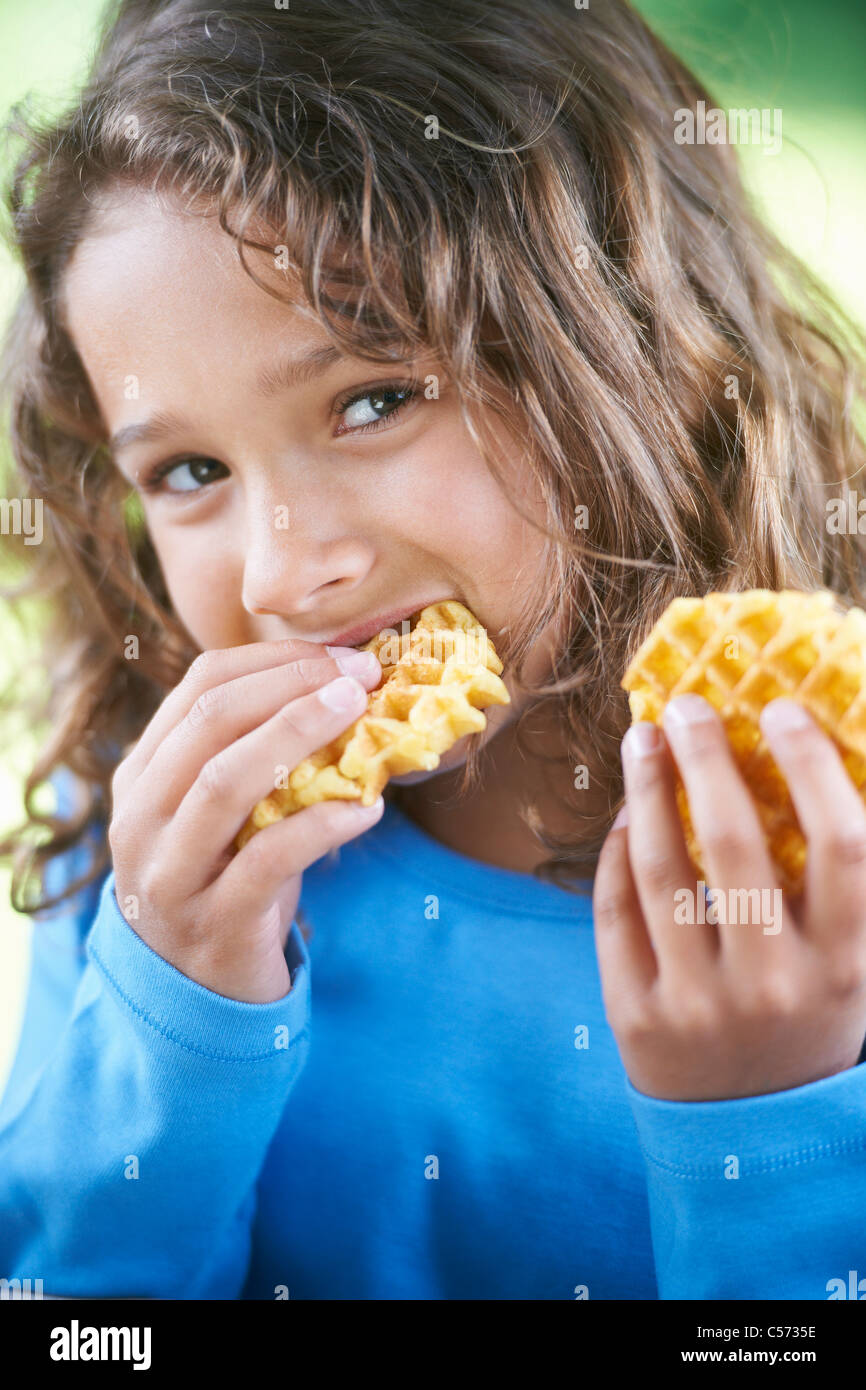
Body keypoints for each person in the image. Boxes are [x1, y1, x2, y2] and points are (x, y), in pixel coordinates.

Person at [1, 0, 865, 1299]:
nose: (282, 572)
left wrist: (770, 1127)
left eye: (372, 399)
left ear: (636, 336)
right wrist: (168, 1021)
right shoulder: (150, 834)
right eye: (188, 469)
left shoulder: (828, 845)